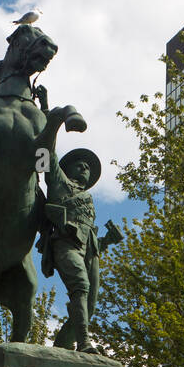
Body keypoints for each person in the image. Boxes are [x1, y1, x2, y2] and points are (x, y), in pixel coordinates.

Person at [36, 148, 123, 352]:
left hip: (91, 251)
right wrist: (50, 123)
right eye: (80, 165)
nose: (85, 168)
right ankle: (84, 343)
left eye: (88, 167)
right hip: (65, 245)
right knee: (80, 286)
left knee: (90, 304)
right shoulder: (58, 182)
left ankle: (64, 344)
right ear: (66, 170)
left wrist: (107, 240)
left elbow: (87, 237)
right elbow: (47, 154)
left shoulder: (88, 197)